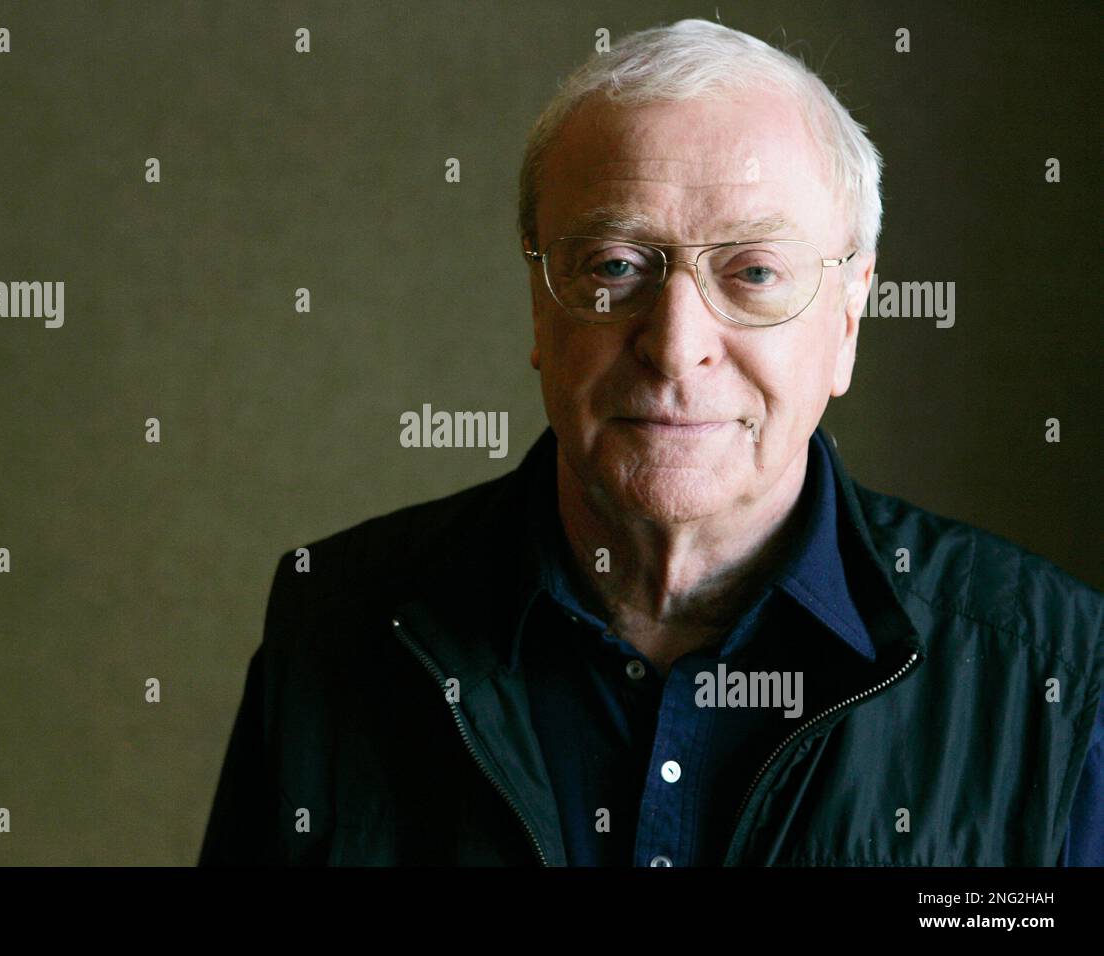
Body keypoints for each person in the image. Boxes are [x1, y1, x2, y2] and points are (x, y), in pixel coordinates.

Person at [199, 18, 1103, 866]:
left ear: (850, 317)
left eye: (753, 273)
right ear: (538, 304)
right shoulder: (336, 629)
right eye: (616, 267)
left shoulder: (1051, 671)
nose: (675, 344)